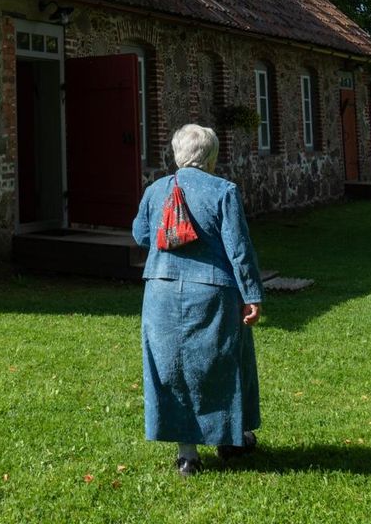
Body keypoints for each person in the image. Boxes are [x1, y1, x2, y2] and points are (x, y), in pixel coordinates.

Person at [131, 123, 264, 477]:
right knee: (222, 363)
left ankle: (187, 455)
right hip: (213, 292)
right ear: (211, 156)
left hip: (159, 291)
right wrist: (251, 294)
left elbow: (141, 234)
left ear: (177, 155)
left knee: (170, 368)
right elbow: (239, 249)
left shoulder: (155, 190)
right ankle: (231, 441)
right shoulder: (224, 191)